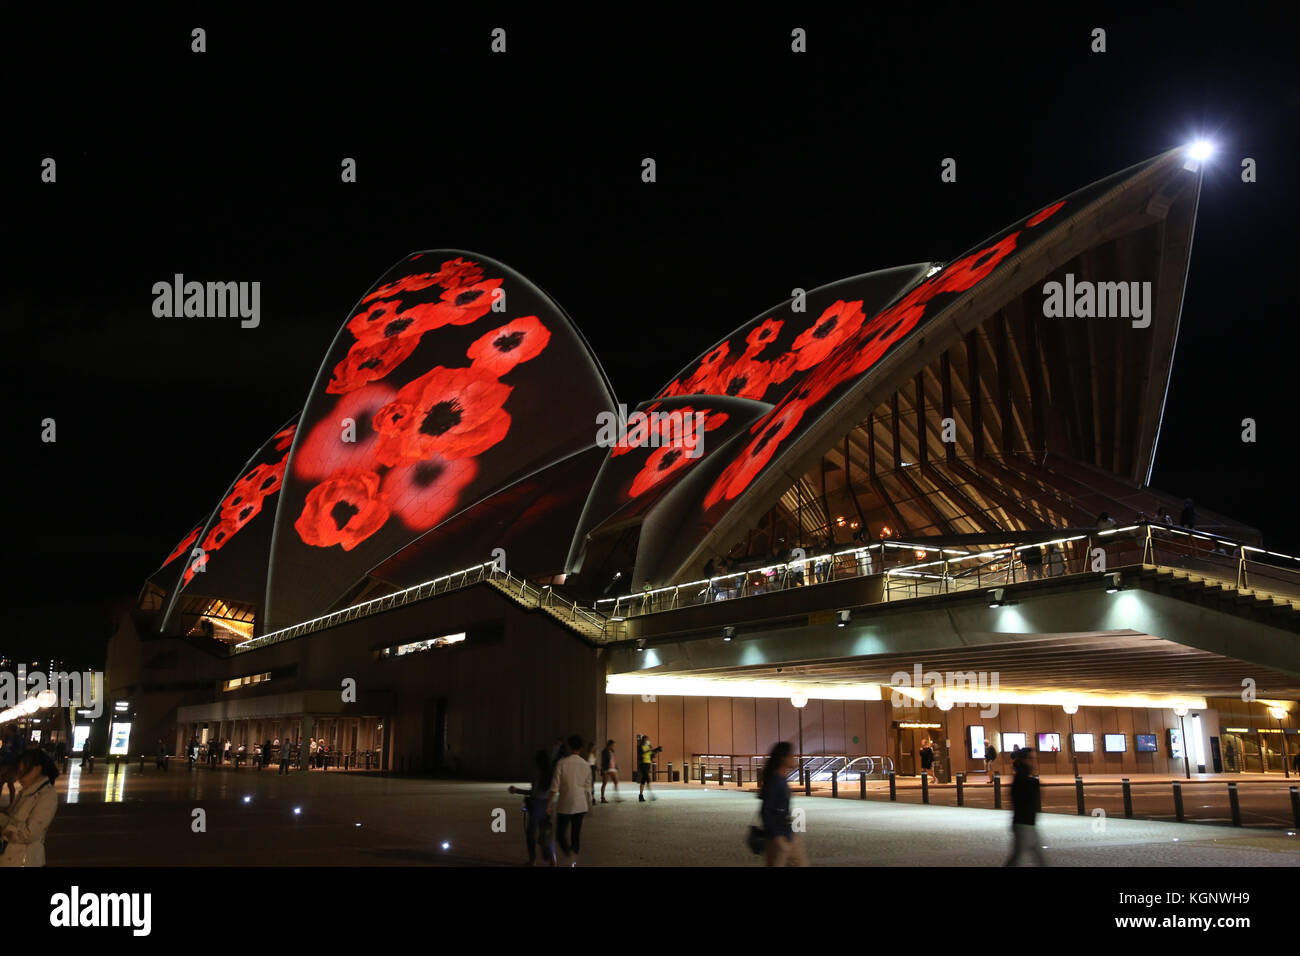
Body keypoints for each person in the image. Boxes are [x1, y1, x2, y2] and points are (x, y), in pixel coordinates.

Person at [0, 749, 60, 867]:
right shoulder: (26, 792)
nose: (18, 777)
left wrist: (3, 821)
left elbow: (30, 833)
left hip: (25, 860)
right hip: (10, 857)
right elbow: (13, 818)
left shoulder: (47, 795)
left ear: (37, 769)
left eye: (23, 772)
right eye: (19, 771)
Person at [759, 741, 806, 866]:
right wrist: (776, 836)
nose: (793, 758)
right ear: (783, 758)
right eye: (791, 755)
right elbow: (765, 811)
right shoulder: (775, 781)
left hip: (787, 834)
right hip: (778, 838)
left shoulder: (781, 779)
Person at [549, 734, 593, 866]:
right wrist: (589, 806)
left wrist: (549, 804)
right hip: (580, 805)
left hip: (565, 804)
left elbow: (554, 787)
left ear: (568, 746)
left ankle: (569, 854)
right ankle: (573, 859)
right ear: (581, 747)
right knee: (576, 835)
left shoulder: (561, 763)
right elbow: (588, 789)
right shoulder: (586, 765)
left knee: (560, 834)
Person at [508, 750, 556, 866]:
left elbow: (534, 792)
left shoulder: (537, 773)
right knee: (546, 833)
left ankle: (532, 859)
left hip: (536, 805)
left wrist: (517, 790)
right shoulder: (552, 772)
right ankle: (552, 858)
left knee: (531, 834)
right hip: (547, 805)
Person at [1004, 747, 1046, 866]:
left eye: (1035, 758)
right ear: (1023, 760)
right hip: (1023, 826)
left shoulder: (1024, 778)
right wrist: (1035, 783)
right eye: (1031, 758)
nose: (1035, 762)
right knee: (1017, 858)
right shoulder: (1021, 780)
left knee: (1037, 859)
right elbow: (1027, 802)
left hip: (1028, 825)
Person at [637, 735, 660, 802]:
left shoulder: (649, 746)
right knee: (648, 779)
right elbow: (640, 755)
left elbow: (652, 755)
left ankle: (640, 796)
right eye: (646, 739)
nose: (647, 740)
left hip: (648, 764)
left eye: (647, 739)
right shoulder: (640, 747)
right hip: (643, 764)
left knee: (643, 780)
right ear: (643, 740)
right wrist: (648, 751)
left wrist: (656, 751)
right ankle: (651, 795)